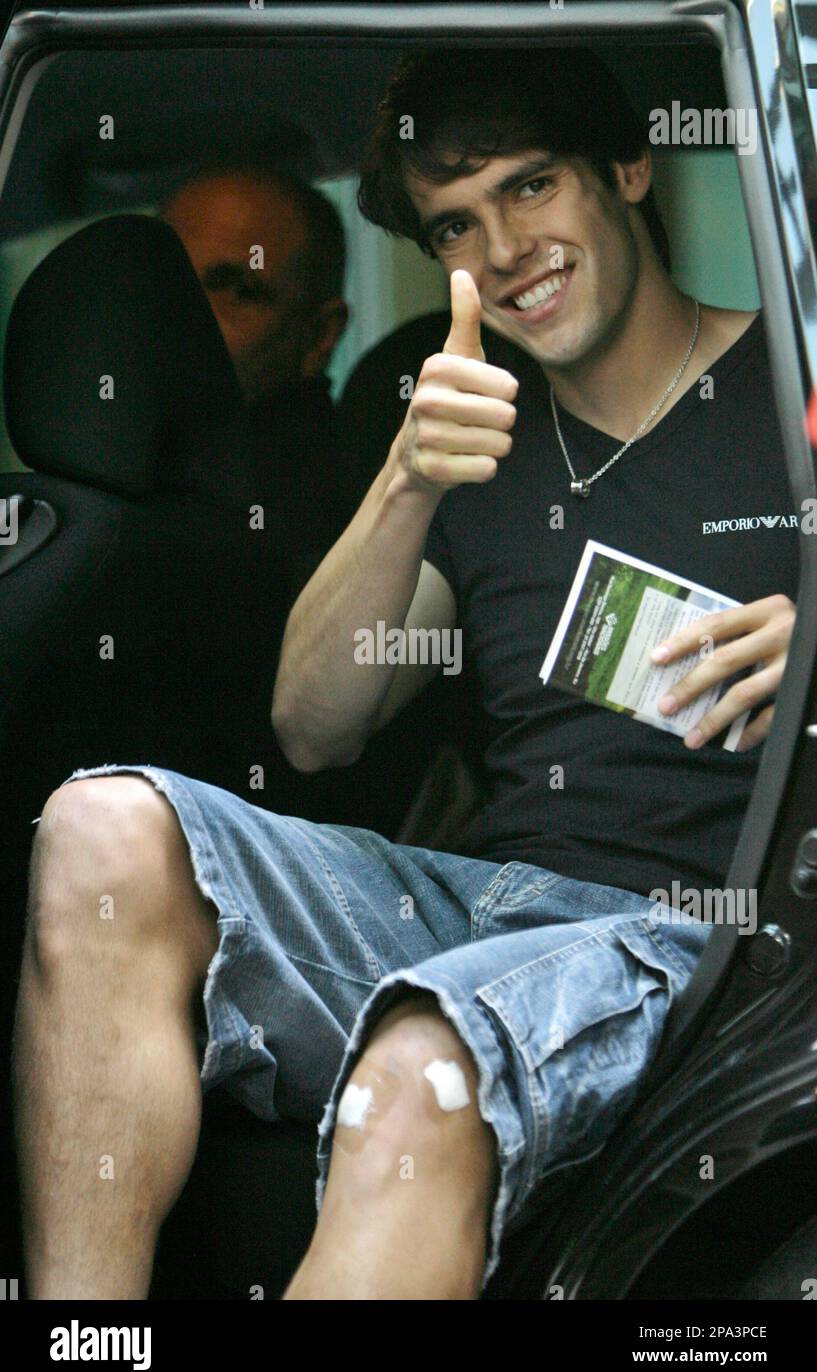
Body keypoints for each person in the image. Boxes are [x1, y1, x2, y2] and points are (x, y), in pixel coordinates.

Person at [12, 47, 798, 1300]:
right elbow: (311, 725)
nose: (504, 244)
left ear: (630, 171)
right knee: (99, 827)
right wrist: (407, 479)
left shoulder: (795, 394)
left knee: (425, 1055)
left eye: (532, 186)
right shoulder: (464, 437)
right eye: (456, 223)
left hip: (699, 947)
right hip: (484, 903)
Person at [161, 165, 350, 592]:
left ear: (321, 334)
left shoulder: (316, 527)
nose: (184, 316)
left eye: (236, 291)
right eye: (168, 280)